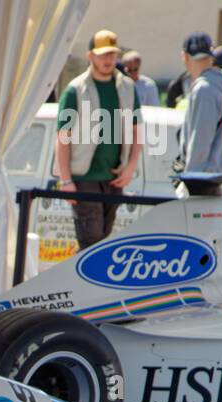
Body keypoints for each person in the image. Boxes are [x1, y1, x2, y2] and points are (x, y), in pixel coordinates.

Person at [54, 29, 142, 250]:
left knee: (102, 244)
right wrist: (66, 180)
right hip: (84, 177)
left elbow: (136, 130)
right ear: (90, 56)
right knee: (91, 244)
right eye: (103, 54)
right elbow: (63, 138)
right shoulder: (75, 90)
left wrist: (130, 167)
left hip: (114, 177)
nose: (108, 60)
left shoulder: (127, 87)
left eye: (112, 54)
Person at [178, 31, 222, 195]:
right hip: (212, 178)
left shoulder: (205, 89)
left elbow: (200, 140)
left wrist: (188, 180)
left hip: (200, 181)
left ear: (186, 57)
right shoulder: (217, 85)